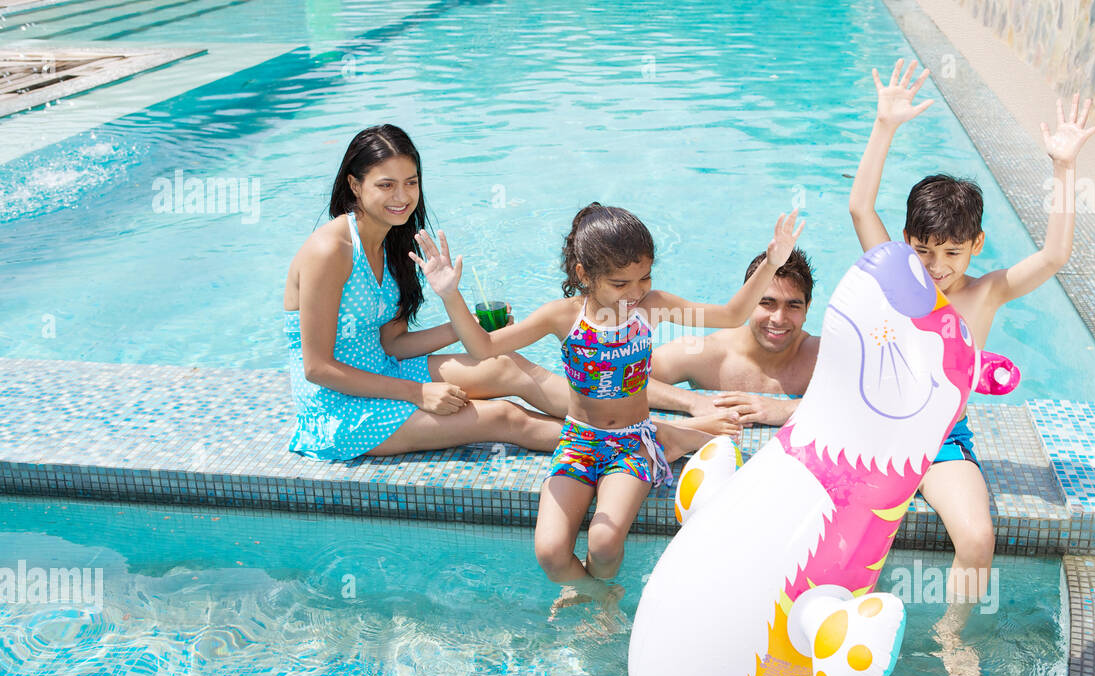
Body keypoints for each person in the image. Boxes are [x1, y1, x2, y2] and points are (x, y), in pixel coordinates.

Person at [849, 58, 1095, 676]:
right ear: (906, 240)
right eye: (924, 249)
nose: (936, 267)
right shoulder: (893, 272)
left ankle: (951, 635)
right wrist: (884, 126)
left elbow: (1055, 255)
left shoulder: (986, 294)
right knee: (844, 532)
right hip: (881, 436)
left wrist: (1064, 168)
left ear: (977, 245)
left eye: (952, 252)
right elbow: (859, 205)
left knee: (978, 537)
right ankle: (844, 628)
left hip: (943, 443)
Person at [411, 203, 804, 620]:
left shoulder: (652, 307)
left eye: (644, 277)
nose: (635, 292)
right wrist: (450, 295)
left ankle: (598, 608)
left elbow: (731, 314)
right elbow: (484, 348)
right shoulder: (562, 317)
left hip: (633, 443)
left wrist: (773, 262)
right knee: (549, 552)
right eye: (620, 283)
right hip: (581, 440)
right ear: (584, 274)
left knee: (603, 541)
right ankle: (601, 596)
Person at [283, 124, 571, 461]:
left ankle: (620, 418)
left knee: (507, 366)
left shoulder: (392, 242)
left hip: (383, 369)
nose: (402, 197)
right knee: (503, 416)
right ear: (355, 185)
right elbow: (317, 368)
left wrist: (466, 326)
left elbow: (393, 344)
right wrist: (416, 392)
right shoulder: (330, 251)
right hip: (336, 410)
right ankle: (621, 444)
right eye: (386, 185)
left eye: (411, 183)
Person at [647, 247, 820, 428]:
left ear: (807, 308)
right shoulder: (708, 353)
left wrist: (788, 408)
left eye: (793, 306)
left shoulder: (822, 357)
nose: (778, 319)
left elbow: (852, 397)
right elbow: (618, 381)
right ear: (747, 302)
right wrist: (692, 401)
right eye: (767, 303)